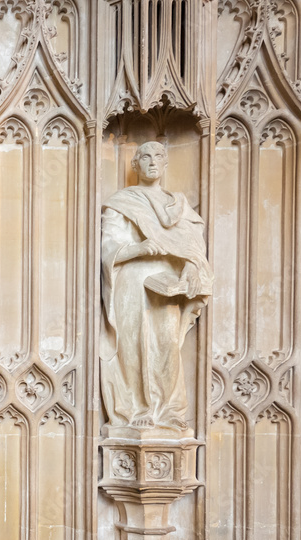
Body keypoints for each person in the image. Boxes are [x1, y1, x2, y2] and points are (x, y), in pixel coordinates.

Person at [100, 141, 213, 434]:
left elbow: (194, 248)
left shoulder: (179, 206)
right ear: (135, 165)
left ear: (165, 164)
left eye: (159, 156)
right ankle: (137, 407)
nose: (152, 162)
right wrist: (139, 248)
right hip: (133, 283)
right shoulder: (121, 201)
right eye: (145, 157)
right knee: (134, 343)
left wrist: (190, 267)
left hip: (167, 286)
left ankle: (170, 410)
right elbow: (108, 246)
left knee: (166, 345)